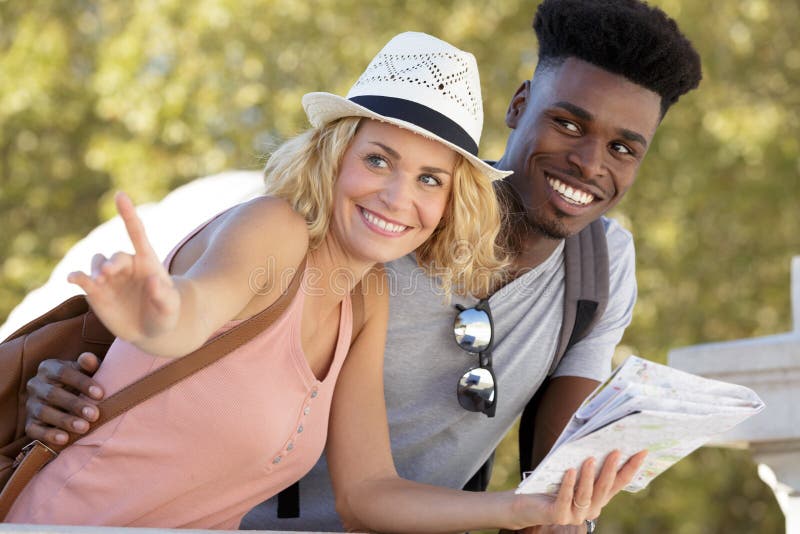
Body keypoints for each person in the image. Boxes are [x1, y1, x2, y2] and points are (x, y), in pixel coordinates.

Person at [23, 0, 702, 531]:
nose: (398, 197)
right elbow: (194, 310)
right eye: (378, 159)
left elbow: (372, 492)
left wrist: (538, 510)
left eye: (431, 179)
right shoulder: (309, 232)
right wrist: (151, 321)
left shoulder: (378, 291)